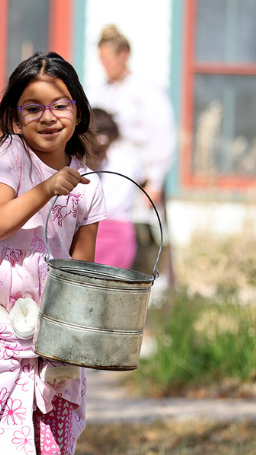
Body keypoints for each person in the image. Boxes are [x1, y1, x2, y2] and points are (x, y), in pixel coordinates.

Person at [0, 51, 106, 454]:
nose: (48, 117)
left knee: (50, 440)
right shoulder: (9, 157)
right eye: (33, 108)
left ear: (78, 112)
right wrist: (46, 188)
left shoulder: (90, 185)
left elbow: (81, 267)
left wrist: (76, 330)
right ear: (15, 118)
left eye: (60, 105)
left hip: (52, 333)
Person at [89, 24, 176, 289]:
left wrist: (156, 179)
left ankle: (151, 304)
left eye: (110, 58)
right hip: (105, 174)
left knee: (145, 241)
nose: (106, 65)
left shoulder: (146, 91)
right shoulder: (99, 91)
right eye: (102, 60)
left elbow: (162, 134)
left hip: (139, 178)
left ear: (124, 54)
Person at [87, 108, 143, 270]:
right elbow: (143, 179)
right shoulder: (131, 156)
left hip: (94, 225)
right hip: (119, 227)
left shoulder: (85, 160)